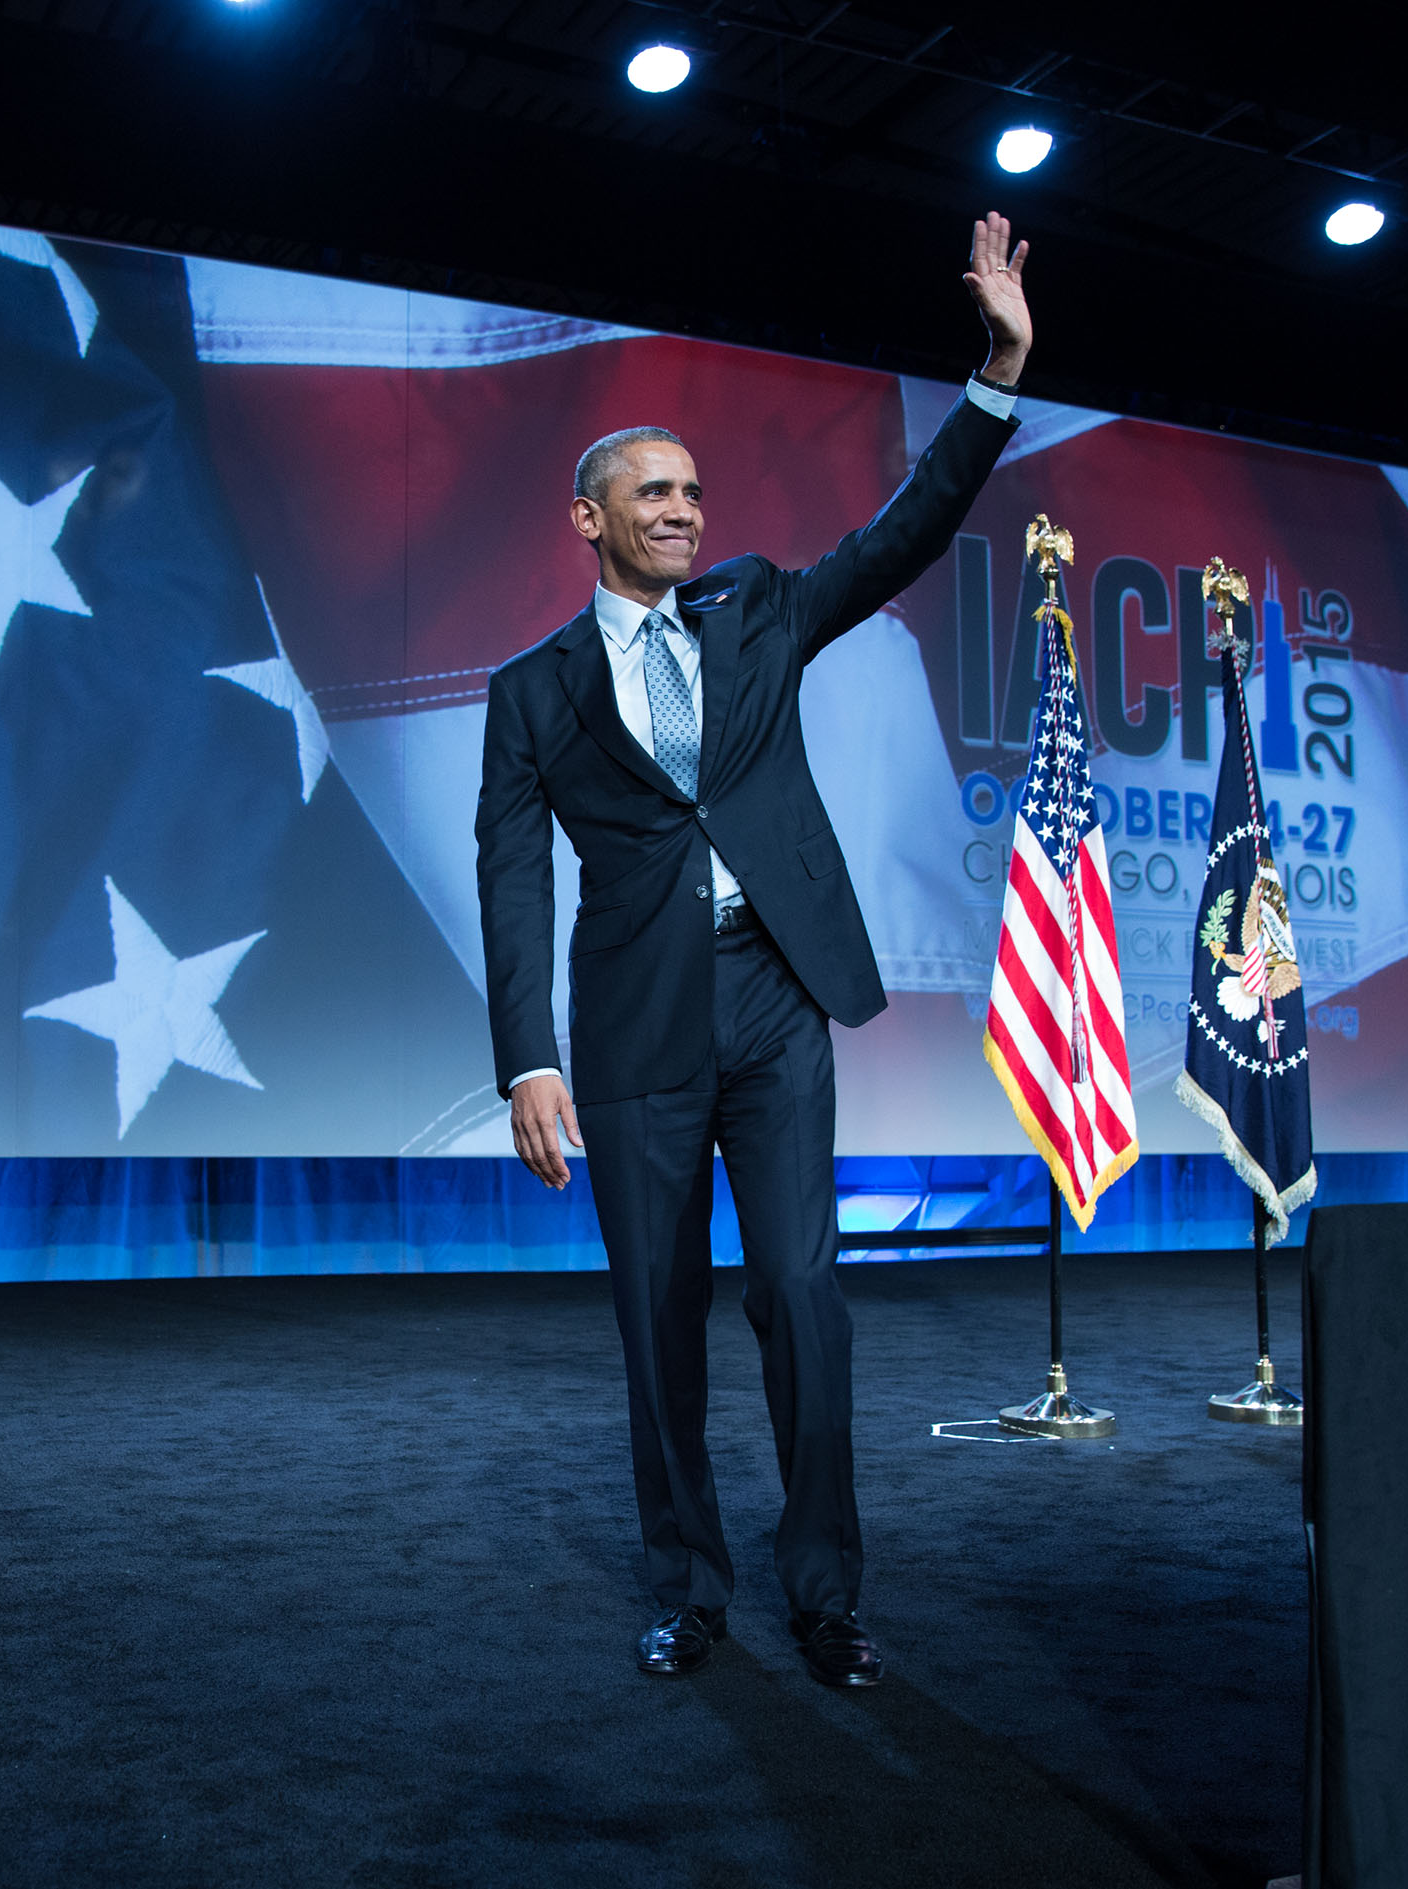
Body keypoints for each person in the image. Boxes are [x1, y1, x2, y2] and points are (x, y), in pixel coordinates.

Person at [474, 213, 1033, 1685]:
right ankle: (687, 1585)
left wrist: (996, 371)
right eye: (651, 492)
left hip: (776, 1000)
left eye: (692, 491)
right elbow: (510, 875)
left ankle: (828, 1590)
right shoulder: (530, 690)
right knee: (658, 1325)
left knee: (801, 1289)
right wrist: (527, 1055)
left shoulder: (762, 610)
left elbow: (902, 534)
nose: (681, 508)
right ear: (586, 516)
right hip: (636, 1026)